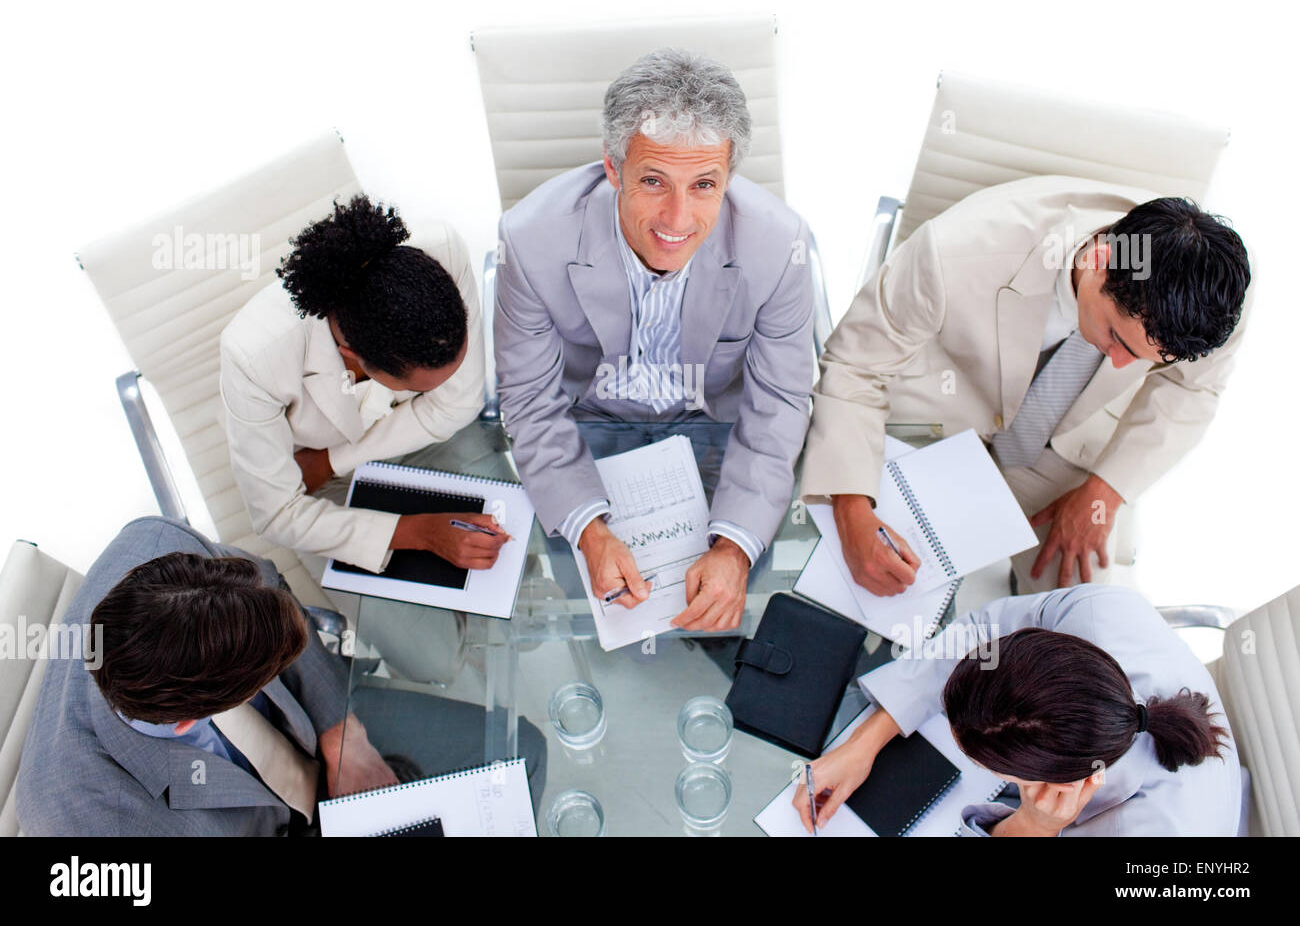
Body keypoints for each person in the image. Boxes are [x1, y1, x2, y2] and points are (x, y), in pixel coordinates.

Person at [494, 48, 816, 632]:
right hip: (590, 423)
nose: (678, 216)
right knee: (585, 589)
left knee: (741, 579)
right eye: (652, 181)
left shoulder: (780, 245)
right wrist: (590, 530)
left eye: (704, 185)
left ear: (730, 178)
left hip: (712, 425)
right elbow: (529, 403)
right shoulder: (530, 238)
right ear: (613, 169)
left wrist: (734, 547)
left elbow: (780, 406)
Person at [802, 180, 1251, 595]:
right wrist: (850, 509)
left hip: (1062, 444)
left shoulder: (1214, 303)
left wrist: (1103, 491)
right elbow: (856, 364)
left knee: (1080, 610)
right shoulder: (958, 248)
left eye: (1144, 359)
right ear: (1099, 260)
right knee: (846, 569)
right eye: (1117, 337)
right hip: (942, 412)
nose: (1119, 363)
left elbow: (1192, 391)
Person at [15, 517, 546, 836]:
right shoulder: (90, 826)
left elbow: (266, 578)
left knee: (525, 753)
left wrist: (343, 737)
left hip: (313, 720)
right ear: (193, 720)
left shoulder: (155, 544)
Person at [794, 584, 1241, 836]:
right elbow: (981, 634)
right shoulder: (1100, 612)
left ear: (1052, 782)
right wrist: (865, 742)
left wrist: (1034, 826)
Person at [220, 193, 505, 578]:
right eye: (418, 383)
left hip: (408, 440)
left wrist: (331, 461)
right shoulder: (254, 357)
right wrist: (418, 533)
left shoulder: (441, 254)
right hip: (315, 483)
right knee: (421, 630)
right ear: (352, 355)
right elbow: (277, 514)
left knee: (505, 549)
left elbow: (459, 404)